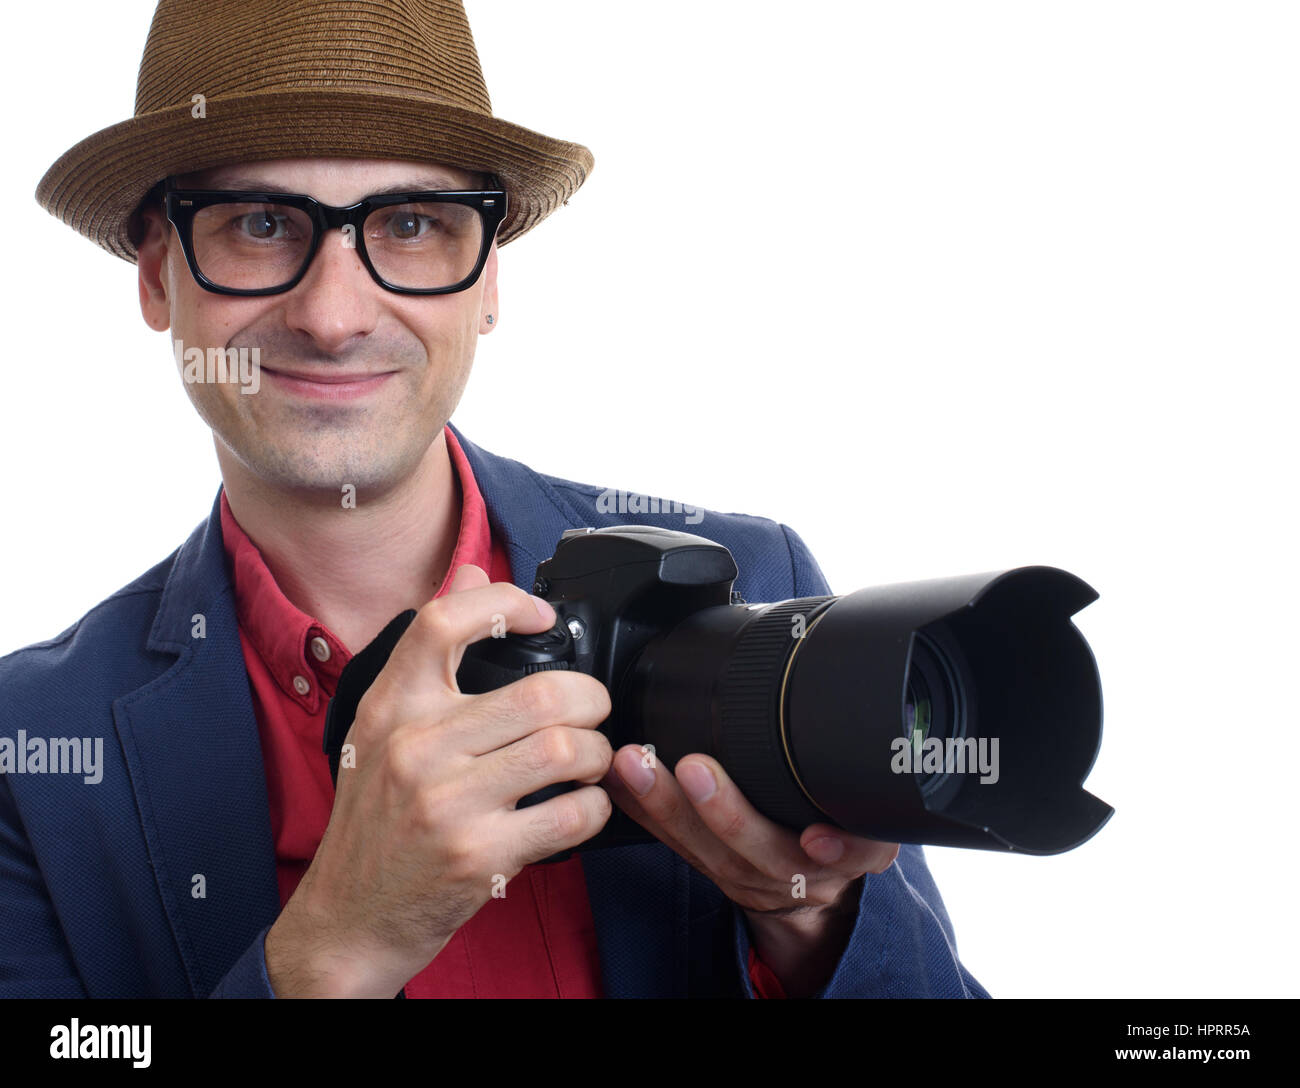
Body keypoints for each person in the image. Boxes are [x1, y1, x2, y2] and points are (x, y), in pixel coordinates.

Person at [1, 0, 987, 998]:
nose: (334, 317)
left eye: (411, 223)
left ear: (487, 279)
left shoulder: (750, 590)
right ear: (160, 275)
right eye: (261, 224)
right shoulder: (30, 749)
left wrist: (810, 924)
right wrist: (326, 956)